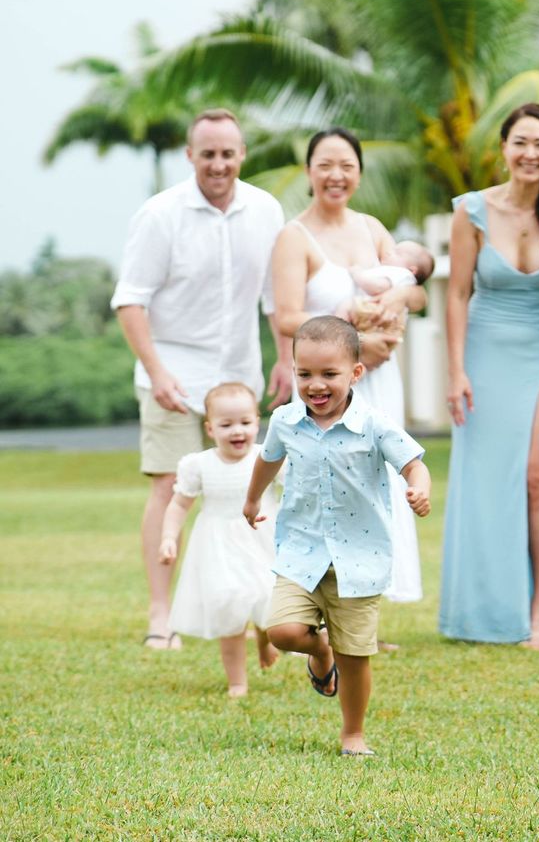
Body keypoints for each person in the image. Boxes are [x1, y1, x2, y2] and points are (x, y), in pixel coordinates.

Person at [111, 107, 290, 649]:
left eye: (228, 153)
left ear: (242, 155)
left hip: (238, 381)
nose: (219, 164)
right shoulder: (160, 214)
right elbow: (130, 300)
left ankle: (256, 604)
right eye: (208, 154)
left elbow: (274, 298)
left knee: (247, 491)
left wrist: (284, 358)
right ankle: (161, 614)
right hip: (172, 377)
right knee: (170, 488)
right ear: (191, 156)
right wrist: (156, 371)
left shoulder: (266, 209)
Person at [246, 316, 432, 758]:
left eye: (329, 374)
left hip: (359, 559)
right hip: (301, 553)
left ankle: (353, 733)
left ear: (355, 373)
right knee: (284, 631)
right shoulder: (286, 421)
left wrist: (419, 486)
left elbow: (412, 462)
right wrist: (253, 499)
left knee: (357, 655)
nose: (315, 385)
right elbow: (268, 460)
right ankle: (319, 649)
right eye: (304, 373)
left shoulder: (374, 423)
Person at [443, 103, 539, 648]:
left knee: (537, 479)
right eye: (521, 142)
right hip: (483, 353)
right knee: (484, 484)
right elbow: (456, 293)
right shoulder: (472, 211)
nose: (531, 154)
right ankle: (483, 609)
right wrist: (455, 370)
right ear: (504, 148)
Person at [269, 128, 427, 614]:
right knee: (326, 491)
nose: (336, 175)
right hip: (324, 388)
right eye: (325, 165)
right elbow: (287, 315)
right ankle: (315, 604)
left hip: (378, 380)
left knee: (377, 485)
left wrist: (400, 295)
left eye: (347, 166)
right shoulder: (294, 236)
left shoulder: (371, 227)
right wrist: (350, 325)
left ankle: (366, 611)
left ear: (358, 172)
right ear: (309, 171)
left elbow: (415, 293)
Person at [157, 382, 280, 696]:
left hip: (263, 537)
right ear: (210, 428)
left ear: (257, 422)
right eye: (226, 425)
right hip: (219, 545)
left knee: (268, 598)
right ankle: (237, 680)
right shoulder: (199, 465)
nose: (237, 431)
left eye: (245, 422)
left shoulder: (266, 458)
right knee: (229, 607)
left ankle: (265, 639)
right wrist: (169, 538)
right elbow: (179, 504)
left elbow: (295, 492)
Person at [340, 240, 435, 337]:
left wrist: (357, 274)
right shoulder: (398, 273)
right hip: (372, 315)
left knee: (345, 307)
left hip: (370, 310)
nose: (388, 252)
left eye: (397, 253)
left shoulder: (401, 273)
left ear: (412, 270)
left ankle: (337, 336)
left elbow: (377, 287)